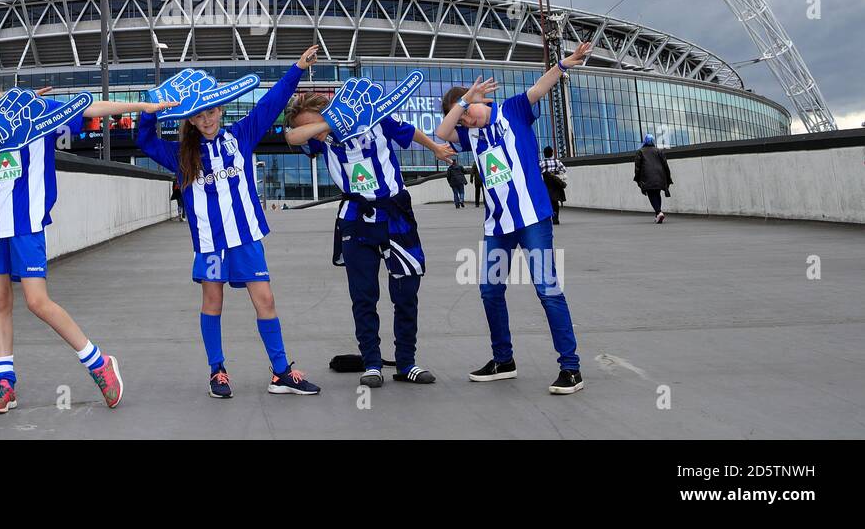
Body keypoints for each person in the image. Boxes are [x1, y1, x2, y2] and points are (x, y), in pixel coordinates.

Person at [0, 78, 175, 413]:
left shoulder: (35, 112)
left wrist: (141, 107)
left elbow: (88, 105)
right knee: (0, 302)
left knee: (37, 302)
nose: (1, 104)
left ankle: (98, 363)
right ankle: (5, 384)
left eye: (0, 97)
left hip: (28, 224)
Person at [137, 46, 323, 399]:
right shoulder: (179, 154)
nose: (207, 119)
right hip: (210, 244)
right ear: (190, 119)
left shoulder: (242, 135)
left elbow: (271, 103)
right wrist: (150, 107)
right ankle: (217, 371)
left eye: (212, 111)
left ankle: (281, 372)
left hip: (247, 237)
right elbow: (143, 140)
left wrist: (297, 68)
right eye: (199, 115)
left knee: (265, 300)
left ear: (221, 109)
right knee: (213, 303)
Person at [436, 40, 593, 396]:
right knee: (490, 291)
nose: (466, 119)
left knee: (547, 289)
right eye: (462, 116)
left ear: (484, 99)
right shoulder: (468, 135)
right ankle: (503, 360)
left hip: (533, 218)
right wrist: (461, 103)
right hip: (498, 226)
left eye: (469, 111)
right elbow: (441, 134)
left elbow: (541, 86)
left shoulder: (513, 110)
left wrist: (566, 63)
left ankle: (570, 368)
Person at [285, 92, 456, 388]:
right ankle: (373, 363)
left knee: (406, 292)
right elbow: (292, 138)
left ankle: (406, 362)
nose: (318, 129)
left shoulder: (374, 120)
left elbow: (407, 130)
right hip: (355, 218)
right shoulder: (320, 139)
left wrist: (435, 149)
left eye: (316, 121)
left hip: (395, 213)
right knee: (363, 295)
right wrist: (326, 124)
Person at [634, 134, 673, 224]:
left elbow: (637, 167)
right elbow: (665, 165)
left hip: (647, 176)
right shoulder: (659, 151)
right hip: (659, 175)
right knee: (657, 193)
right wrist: (668, 177)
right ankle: (658, 214)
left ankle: (659, 212)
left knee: (651, 194)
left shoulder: (640, 151)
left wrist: (637, 178)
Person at [540, 146, 567, 226]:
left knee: (548, 201)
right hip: (556, 184)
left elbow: (538, 172)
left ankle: (550, 217)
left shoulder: (541, 163)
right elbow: (564, 170)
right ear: (552, 153)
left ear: (544, 154)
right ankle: (556, 218)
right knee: (555, 202)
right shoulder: (557, 162)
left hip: (546, 184)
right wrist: (555, 172)